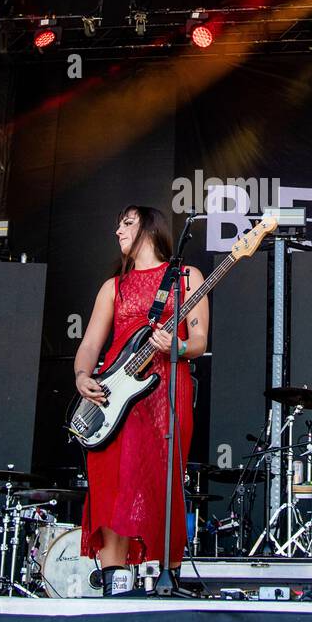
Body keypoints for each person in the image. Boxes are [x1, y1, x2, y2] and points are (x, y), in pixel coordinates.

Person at [73, 206, 209, 595]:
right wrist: (83, 376)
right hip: (115, 394)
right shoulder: (113, 286)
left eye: (127, 223)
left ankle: (168, 577)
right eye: (118, 223)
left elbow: (198, 342)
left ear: (150, 228)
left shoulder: (187, 277)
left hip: (165, 390)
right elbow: (89, 345)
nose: (118, 230)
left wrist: (178, 345)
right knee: (114, 480)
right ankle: (115, 581)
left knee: (160, 478)